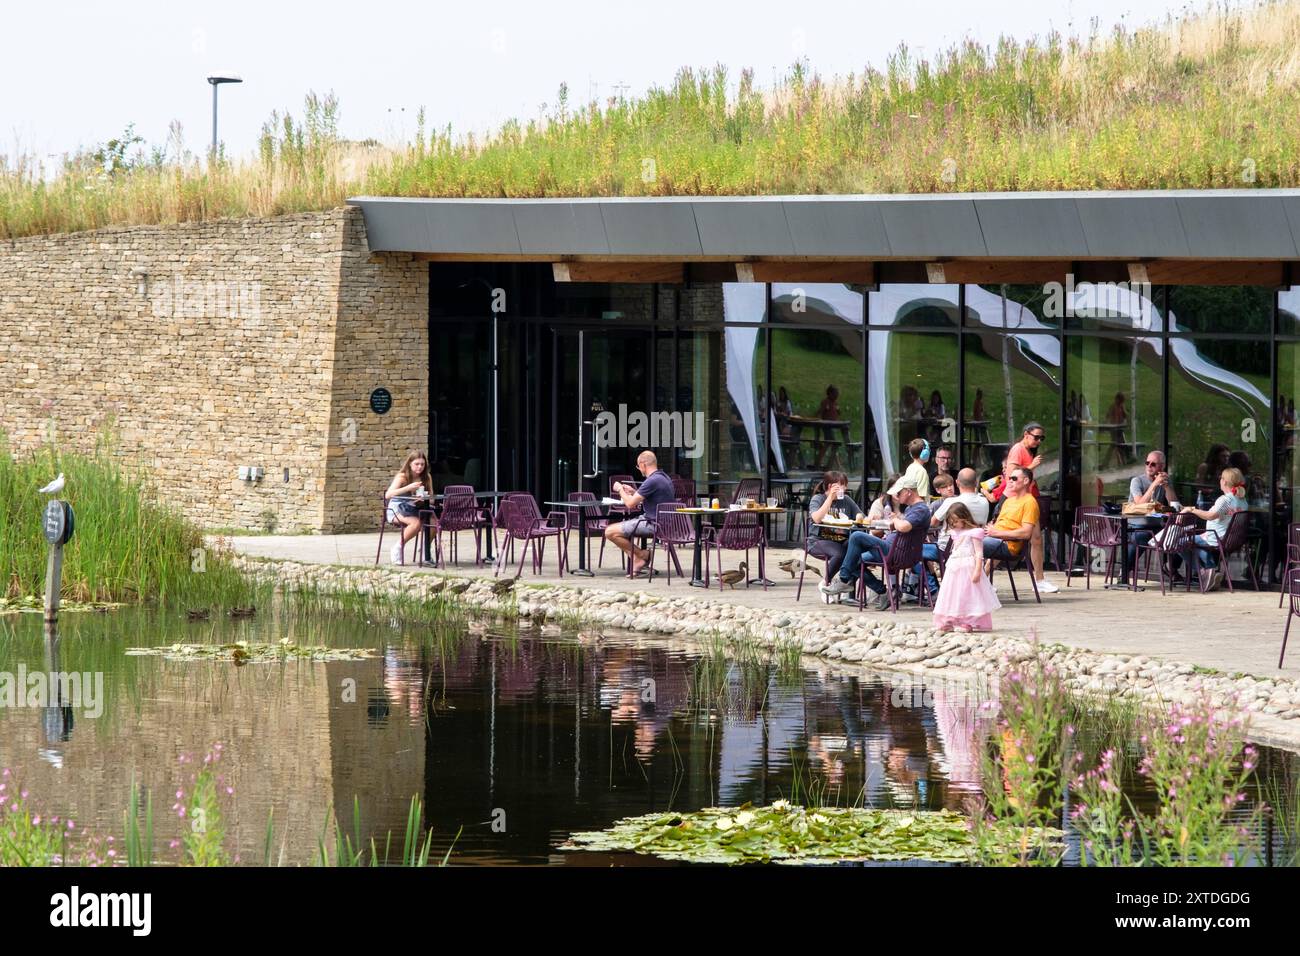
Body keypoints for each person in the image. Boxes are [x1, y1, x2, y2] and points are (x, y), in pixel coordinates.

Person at [819, 474, 930, 609]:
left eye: (898, 492)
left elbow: (904, 527)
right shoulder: (911, 508)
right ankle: (882, 592)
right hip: (896, 549)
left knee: (856, 536)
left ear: (908, 492)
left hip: (897, 552)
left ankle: (843, 579)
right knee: (852, 559)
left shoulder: (920, 509)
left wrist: (895, 520)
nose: (896, 495)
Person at [604, 450, 676, 577]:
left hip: (654, 524)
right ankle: (640, 556)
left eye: (638, 466)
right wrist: (634, 491)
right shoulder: (664, 477)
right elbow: (654, 500)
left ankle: (641, 556)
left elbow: (630, 504)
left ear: (643, 464)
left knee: (610, 531)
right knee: (621, 528)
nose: (639, 469)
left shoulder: (651, 481)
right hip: (666, 522)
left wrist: (620, 490)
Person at [1175, 467, 1248, 592]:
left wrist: (1190, 509)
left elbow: (1211, 516)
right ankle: (1210, 573)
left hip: (1216, 539)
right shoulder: (1242, 501)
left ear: (1224, 481)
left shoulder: (1225, 500)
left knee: (1179, 543)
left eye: (1221, 478)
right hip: (1230, 540)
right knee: (1195, 541)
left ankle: (1206, 570)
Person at [932, 504, 1001, 633]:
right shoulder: (955, 533)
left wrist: (978, 571)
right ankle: (950, 619)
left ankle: (966, 621)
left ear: (964, 518)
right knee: (952, 593)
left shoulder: (974, 532)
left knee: (967, 594)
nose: (954, 524)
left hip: (968, 566)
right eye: (951, 522)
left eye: (956, 521)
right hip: (954, 566)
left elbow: (979, 553)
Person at [1005, 422, 1057, 592]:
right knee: (1004, 539)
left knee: (1036, 539)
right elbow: (1011, 476)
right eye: (1036, 437)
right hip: (1016, 501)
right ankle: (983, 576)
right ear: (1026, 434)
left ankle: (1040, 580)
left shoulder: (1027, 451)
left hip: (1026, 500)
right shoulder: (1018, 449)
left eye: (1041, 438)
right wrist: (1032, 466)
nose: (1039, 441)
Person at [1127, 450, 1181, 571]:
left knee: (1179, 534)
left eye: (1153, 464)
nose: (1149, 466)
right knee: (1140, 536)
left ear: (1162, 466)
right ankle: (1125, 570)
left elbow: (1174, 504)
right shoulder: (1137, 481)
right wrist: (1155, 484)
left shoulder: (1165, 480)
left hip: (1156, 524)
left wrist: (1167, 487)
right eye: (1147, 463)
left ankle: (1170, 568)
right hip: (1135, 525)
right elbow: (1140, 503)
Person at [805, 470, 863, 583]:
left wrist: (861, 516)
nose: (845, 489)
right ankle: (826, 583)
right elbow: (816, 518)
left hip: (841, 539)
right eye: (842, 486)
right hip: (818, 540)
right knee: (841, 554)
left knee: (858, 552)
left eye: (845, 485)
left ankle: (847, 588)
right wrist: (830, 498)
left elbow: (860, 515)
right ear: (831, 486)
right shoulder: (818, 499)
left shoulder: (846, 500)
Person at [983, 466, 1040, 577]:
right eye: (1009, 478)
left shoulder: (1030, 502)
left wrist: (996, 533)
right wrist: (991, 528)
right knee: (962, 540)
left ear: (1026, 480)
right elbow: (998, 524)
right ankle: (978, 583)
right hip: (994, 539)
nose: (1010, 481)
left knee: (969, 544)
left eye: (1014, 478)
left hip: (1007, 545)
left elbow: (1026, 533)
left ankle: (972, 585)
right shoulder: (1008, 501)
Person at [385, 450, 434, 564]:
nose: (420, 467)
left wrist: (423, 499)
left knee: (433, 522)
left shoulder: (427, 477)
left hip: (416, 507)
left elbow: (432, 498)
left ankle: (424, 550)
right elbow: (388, 494)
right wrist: (408, 488)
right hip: (397, 507)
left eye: (422, 464)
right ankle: (397, 548)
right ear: (410, 464)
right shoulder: (402, 477)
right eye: (417, 464)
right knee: (415, 523)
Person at [813, 385, 842, 468]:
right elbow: (821, 411)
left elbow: (839, 412)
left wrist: (837, 410)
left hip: (833, 426)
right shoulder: (826, 402)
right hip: (827, 426)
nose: (836, 396)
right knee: (830, 444)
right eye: (835, 394)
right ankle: (819, 462)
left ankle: (820, 462)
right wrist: (816, 417)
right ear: (830, 394)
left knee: (831, 445)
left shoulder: (835, 403)